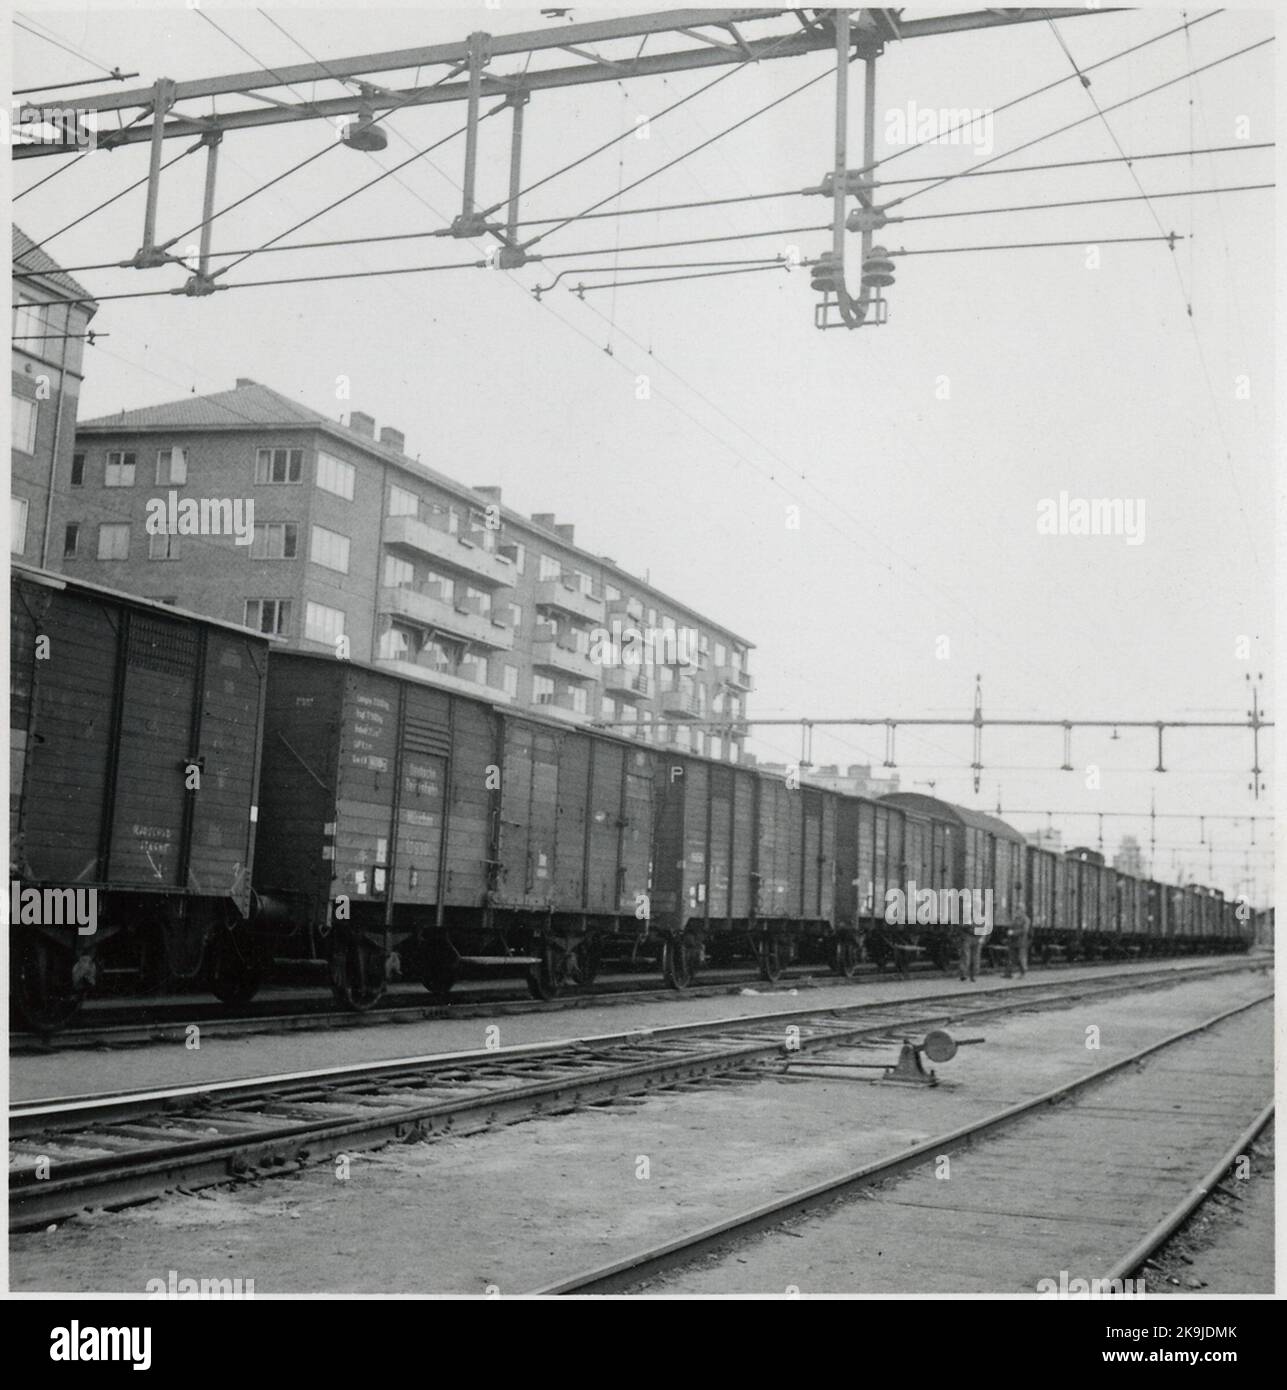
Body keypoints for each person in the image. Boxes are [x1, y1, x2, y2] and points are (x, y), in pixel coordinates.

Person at [1005, 884, 1031, 978]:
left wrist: (1013, 932)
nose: (1017, 911)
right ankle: (1008, 973)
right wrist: (1009, 931)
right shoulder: (1015, 919)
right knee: (1011, 958)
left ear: (1023, 910)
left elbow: (1024, 930)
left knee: (1021, 958)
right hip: (1013, 942)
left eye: (1019, 909)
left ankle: (1023, 972)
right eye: (1017, 909)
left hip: (1021, 942)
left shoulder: (1026, 919)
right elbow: (1011, 926)